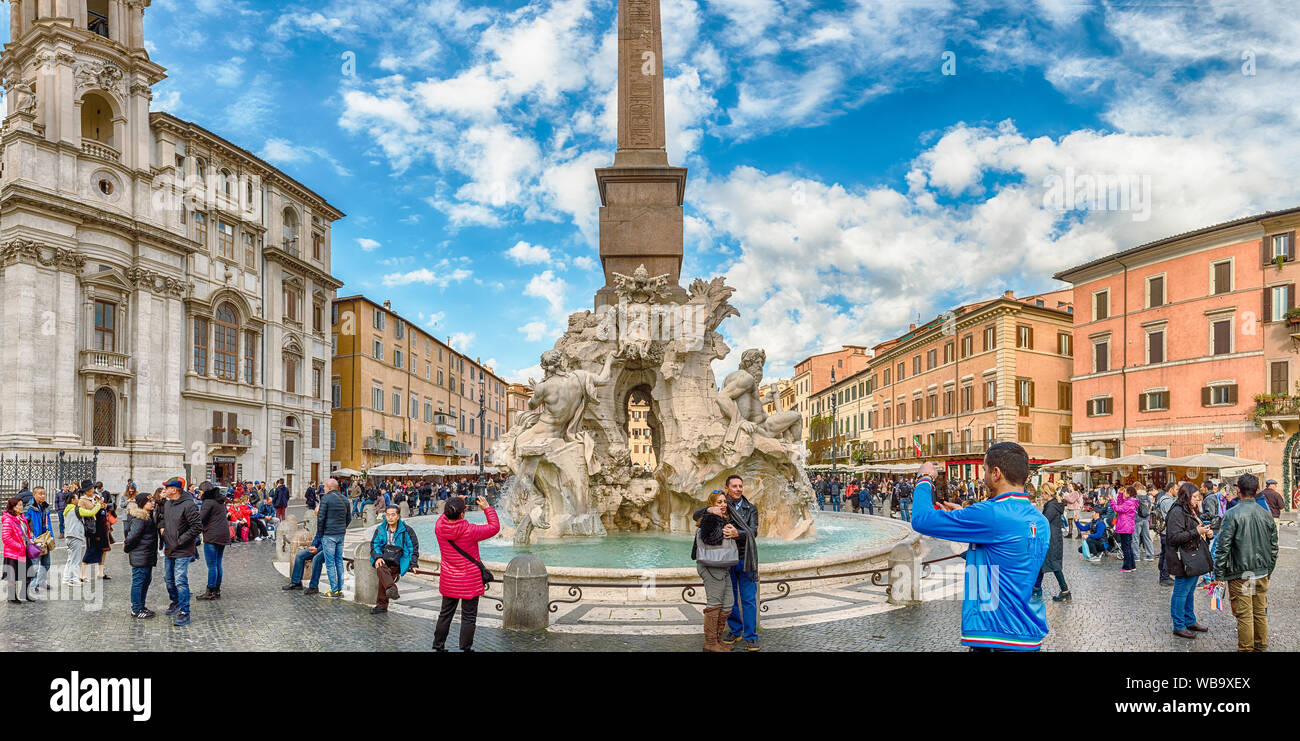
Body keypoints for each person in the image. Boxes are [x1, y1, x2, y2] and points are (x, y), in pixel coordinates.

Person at [910, 443, 1050, 651]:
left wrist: (924, 479)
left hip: (996, 634)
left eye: (984, 470)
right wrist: (964, 516)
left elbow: (922, 520)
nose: (983, 476)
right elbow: (1002, 558)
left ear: (996, 473)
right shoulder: (1040, 520)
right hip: (1026, 633)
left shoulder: (991, 513)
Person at [1213, 474, 1279, 652]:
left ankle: (1246, 649)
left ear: (1238, 490)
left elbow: (1222, 548)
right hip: (1260, 572)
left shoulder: (1232, 514)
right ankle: (1260, 647)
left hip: (1241, 574)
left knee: (1245, 615)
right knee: (1259, 613)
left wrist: (1218, 575)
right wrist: (1269, 572)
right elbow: (1274, 547)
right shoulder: (1266, 514)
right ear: (1257, 491)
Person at [433, 495, 500, 651]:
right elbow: (494, 527)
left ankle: (438, 645)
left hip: (449, 579)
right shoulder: (470, 530)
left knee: (445, 614)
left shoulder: (439, 527)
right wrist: (487, 508)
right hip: (470, 581)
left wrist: (454, 502)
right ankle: (466, 648)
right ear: (462, 514)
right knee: (469, 617)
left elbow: (445, 516)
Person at [707, 474, 759, 651]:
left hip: (746, 558)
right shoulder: (721, 505)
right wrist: (709, 511)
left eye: (740, 486)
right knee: (731, 599)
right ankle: (735, 630)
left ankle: (751, 636)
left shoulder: (751, 508)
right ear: (727, 488)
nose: (738, 489)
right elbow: (696, 515)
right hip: (727, 559)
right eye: (734, 486)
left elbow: (754, 531)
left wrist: (738, 533)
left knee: (749, 599)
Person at [1164, 482, 1213, 639]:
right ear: (1186, 496)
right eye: (1195, 497)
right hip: (1182, 558)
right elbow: (1173, 537)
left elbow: (1192, 531)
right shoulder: (1177, 511)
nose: (1197, 500)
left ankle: (1189, 620)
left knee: (1190, 591)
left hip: (1192, 556)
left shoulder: (1190, 510)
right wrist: (1196, 531)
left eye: (1198, 497)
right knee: (1180, 592)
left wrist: (1205, 533)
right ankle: (1179, 625)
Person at [692, 490, 737, 652]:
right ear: (711, 505)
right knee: (715, 605)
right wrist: (726, 532)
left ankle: (717, 640)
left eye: (724, 502)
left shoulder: (722, 518)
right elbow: (709, 539)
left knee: (727, 604)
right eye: (719, 502)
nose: (723, 505)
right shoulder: (711, 518)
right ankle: (710, 643)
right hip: (711, 567)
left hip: (722, 566)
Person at [159, 477, 203, 627]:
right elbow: (164, 519)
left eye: (167, 487)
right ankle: (175, 601)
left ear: (175, 489)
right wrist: (163, 529)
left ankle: (185, 612)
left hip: (183, 549)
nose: (165, 489)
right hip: (169, 547)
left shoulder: (189, 505)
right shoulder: (168, 503)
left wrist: (180, 539)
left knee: (180, 580)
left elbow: (197, 526)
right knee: (168, 579)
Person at [370, 505, 417, 614]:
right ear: (385, 516)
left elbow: (413, 547)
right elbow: (374, 545)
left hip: (399, 560)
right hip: (383, 558)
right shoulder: (380, 529)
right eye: (388, 515)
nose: (390, 517)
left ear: (398, 516)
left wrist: (413, 563)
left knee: (384, 573)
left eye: (393, 515)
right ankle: (392, 589)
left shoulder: (407, 530)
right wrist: (377, 557)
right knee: (381, 567)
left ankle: (382, 605)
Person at [123, 491, 159, 619]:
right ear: (143, 503)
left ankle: (141, 606)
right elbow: (132, 537)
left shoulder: (147, 516)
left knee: (145, 581)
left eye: (152, 501)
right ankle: (136, 609)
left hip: (147, 554)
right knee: (139, 582)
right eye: (149, 501)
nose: (152, 503)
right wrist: (127, 547)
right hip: (141, 555)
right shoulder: (140, 518)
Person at [1033, 485, 1070, 602]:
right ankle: (1036, 588)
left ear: (1047, 494)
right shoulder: (1052, 504)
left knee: (1055, 565)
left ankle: (1065, 591)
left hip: (1052, 539)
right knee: (1042, 563)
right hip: (1052, 538)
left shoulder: (1052, 506)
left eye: (1043, 493)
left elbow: (1044, 521)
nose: (1042, 496)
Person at [315, 478, 351, 598]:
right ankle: (340, 589)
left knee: (330, 564)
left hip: (329, 534)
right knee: (339, 562)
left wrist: (321, 534)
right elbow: (349, 518)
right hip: (341, 534)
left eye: (324, 487)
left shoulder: (325, 499)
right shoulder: (345, 499)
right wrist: (342, 528)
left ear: (329, 488)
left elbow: (321, 518)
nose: (323, 489)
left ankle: (334, 589)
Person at [196, 482, 230, 601]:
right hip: (223, 534)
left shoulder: (208, 501)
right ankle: (217, 590)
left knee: (212, 565)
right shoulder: (219, 500)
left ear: (204, 491)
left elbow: (201, 519)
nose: (199, 494)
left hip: (212, 535)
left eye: (200, 491)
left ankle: (210, 590)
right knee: (218, 563)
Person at [61, 482, 98, 585]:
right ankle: (74, 580)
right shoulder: (76, 509)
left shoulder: (67, 509)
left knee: (70, 559)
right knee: (75, 560)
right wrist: (98, 504)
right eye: (77, 498)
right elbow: (91, 513)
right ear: (73, 500)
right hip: (75, 536)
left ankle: (66, 578)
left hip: (68, 536)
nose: (78, 499)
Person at [2, 497, 34, 603]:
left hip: (24, 551)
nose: (21, 507)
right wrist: (19, 546)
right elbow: (6, 538)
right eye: (19, 505)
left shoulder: (21, 518)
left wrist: (29, 541)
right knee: (12, 575)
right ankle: (12, 596)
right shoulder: (8, 520)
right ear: (13, 507)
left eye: (22, 505)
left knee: (28, 572)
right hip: (13, 552)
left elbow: (26, 533)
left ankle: (24, 593)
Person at [23, 487, 52, 596]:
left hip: (45, 540)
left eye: (44, 494)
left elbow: (48, 522)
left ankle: (41, 582)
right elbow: (23, 524)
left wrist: (51, 537)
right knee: (35, 565)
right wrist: (28, 538)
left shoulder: (45, 507)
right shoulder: (29, 508)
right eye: (40, 494)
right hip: (35, 541)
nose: (43, 496)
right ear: (34, 495)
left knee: (47, 563)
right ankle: (32, 586)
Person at [1154, 483, 1177, 587]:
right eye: (1176, 489)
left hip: (1164, 531)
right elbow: (1171, 517)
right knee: (1168, 554)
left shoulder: (1163, 498)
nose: (1177, 491)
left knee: (1164, 553)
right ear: (1171, 489)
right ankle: (1164, 577)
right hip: (1167, 531)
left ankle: (1163, 575)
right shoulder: (1167, 501)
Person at [1112, 486, 1138, 572]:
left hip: (1125, 527)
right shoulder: (1130, 501)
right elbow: (1120, 504)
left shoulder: (1129, 502)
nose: (1124, 493)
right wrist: (1120, 494)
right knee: (1128, 547)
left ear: (1129, 493)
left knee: (1125, 548)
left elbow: (1118, 508)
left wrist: (1112, 501)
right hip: (1127, 526)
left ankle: (1127, 567)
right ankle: (1132, 565)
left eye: (1125, 492)